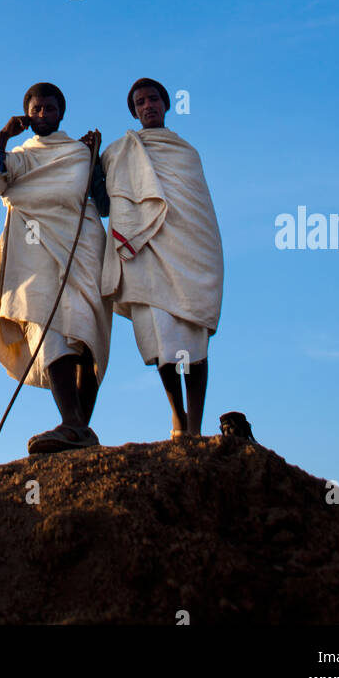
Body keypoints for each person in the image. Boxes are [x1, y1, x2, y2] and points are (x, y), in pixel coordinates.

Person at [0, 82, 111, 453]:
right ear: (27, 113)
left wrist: (95, 157)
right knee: (46, 325)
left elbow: (101, 202)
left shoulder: (80, 151)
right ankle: (72, 424)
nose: (43, 114)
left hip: (82, 246)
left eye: (50, 108)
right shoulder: (21, 155)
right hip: (35, 248)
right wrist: (2, 137)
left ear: (61, 112)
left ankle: (78, 428)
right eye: (36, 109)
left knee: (87, 333)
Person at [99, 79, 224, 439]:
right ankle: (177, 417)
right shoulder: (121, 150)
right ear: (134, 111)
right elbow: (101, 200)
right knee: (161, 336)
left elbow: (197, 209)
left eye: (153, 99)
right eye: (140, 102)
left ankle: (196, 426)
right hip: (145, 251)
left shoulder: (186, 153)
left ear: (166, 105)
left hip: (189, 248)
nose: (147, 106)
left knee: (193, 334)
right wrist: (90, 157)